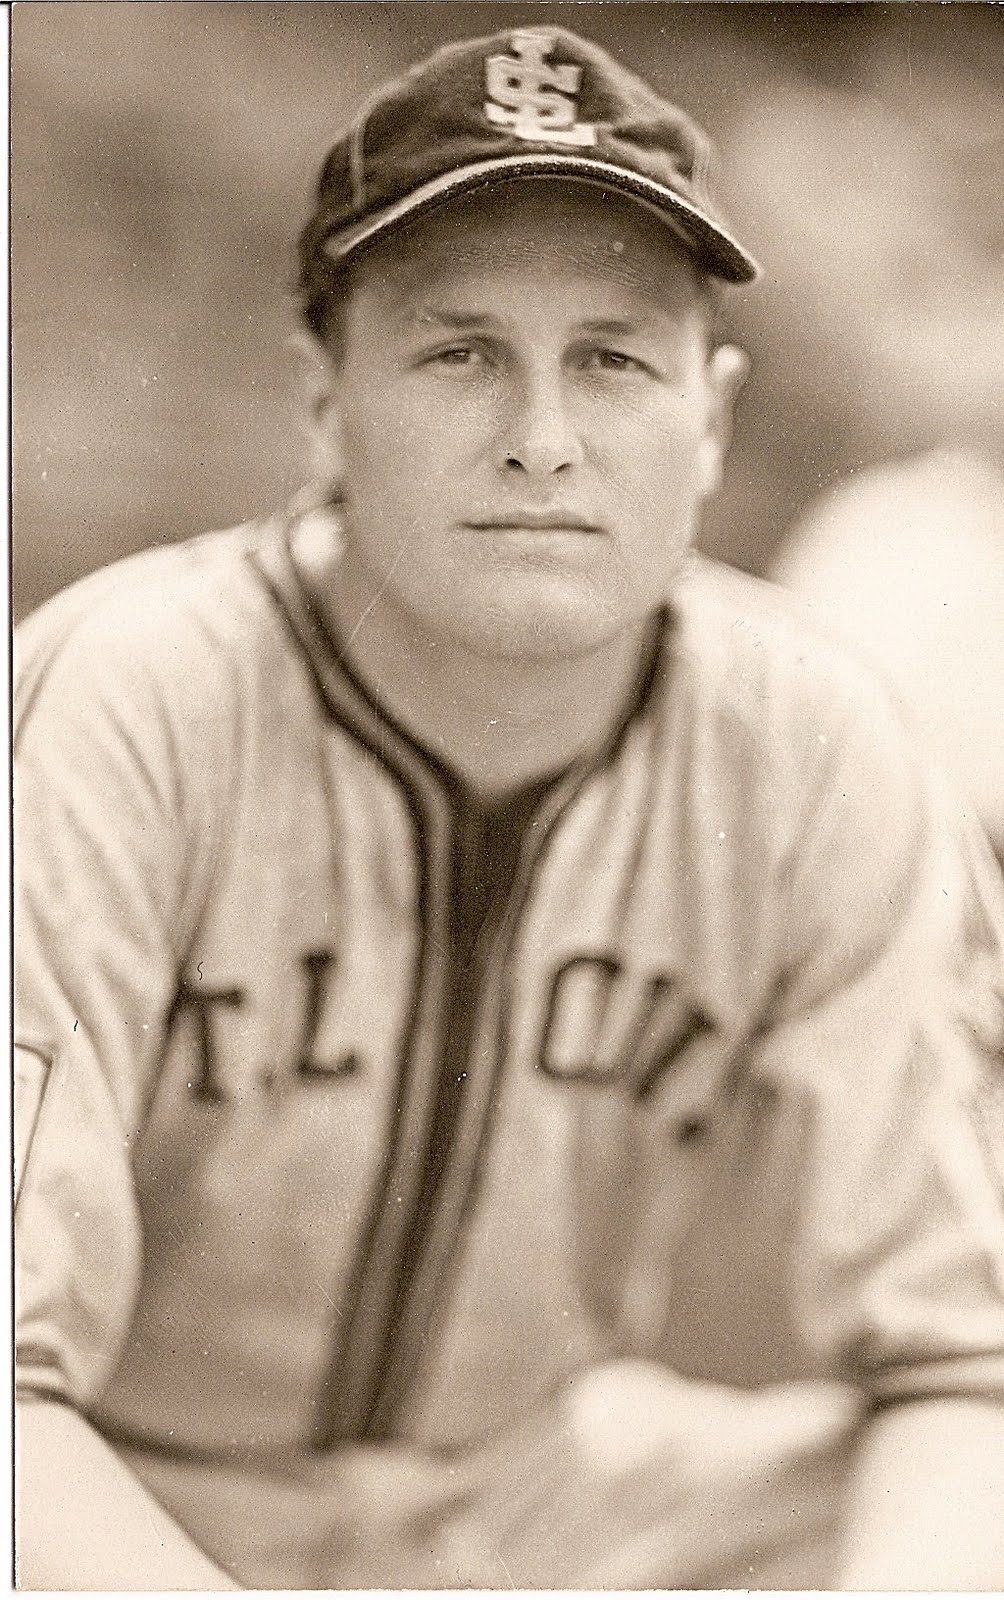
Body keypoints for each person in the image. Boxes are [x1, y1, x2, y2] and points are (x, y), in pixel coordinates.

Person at [14, 24, 1004, 1591]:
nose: (543, 436)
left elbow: (966, 1356)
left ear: (713, 420)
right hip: (128, 1494)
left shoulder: (816, 747)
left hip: (536, 1508)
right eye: (459, 350)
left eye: (613, 357)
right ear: (323, 402)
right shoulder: (131, 698)